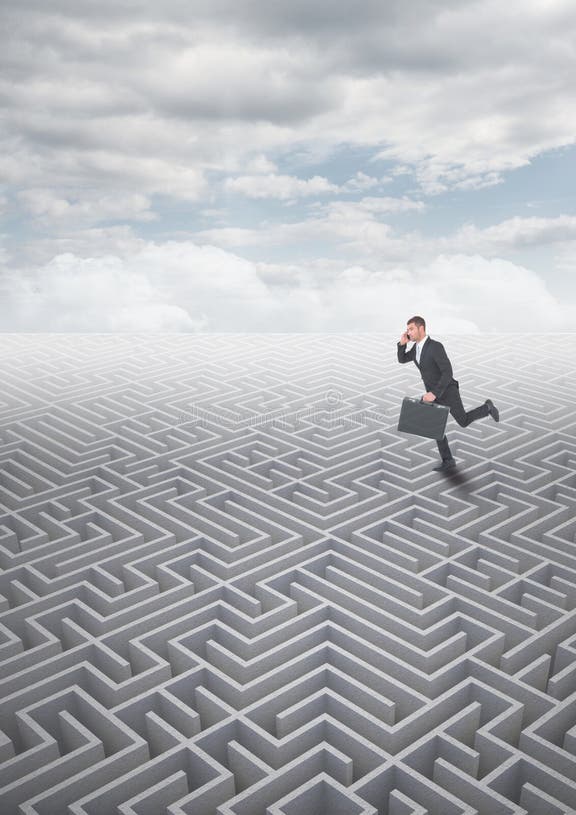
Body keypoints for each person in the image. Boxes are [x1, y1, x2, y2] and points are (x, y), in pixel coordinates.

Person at [397, 315, 500, 472]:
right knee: (434, 427)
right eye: (407, 329)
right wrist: (401, 344)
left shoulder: (435, 346)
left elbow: (447, 372)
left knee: (463, 421)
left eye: (411, 329)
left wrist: (434, 393)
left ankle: (487, 408)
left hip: (447, 390)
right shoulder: (416, 349)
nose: (408, 332)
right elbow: (402, 359)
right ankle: (448, 461)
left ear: (421, 328)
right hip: (431, 393)